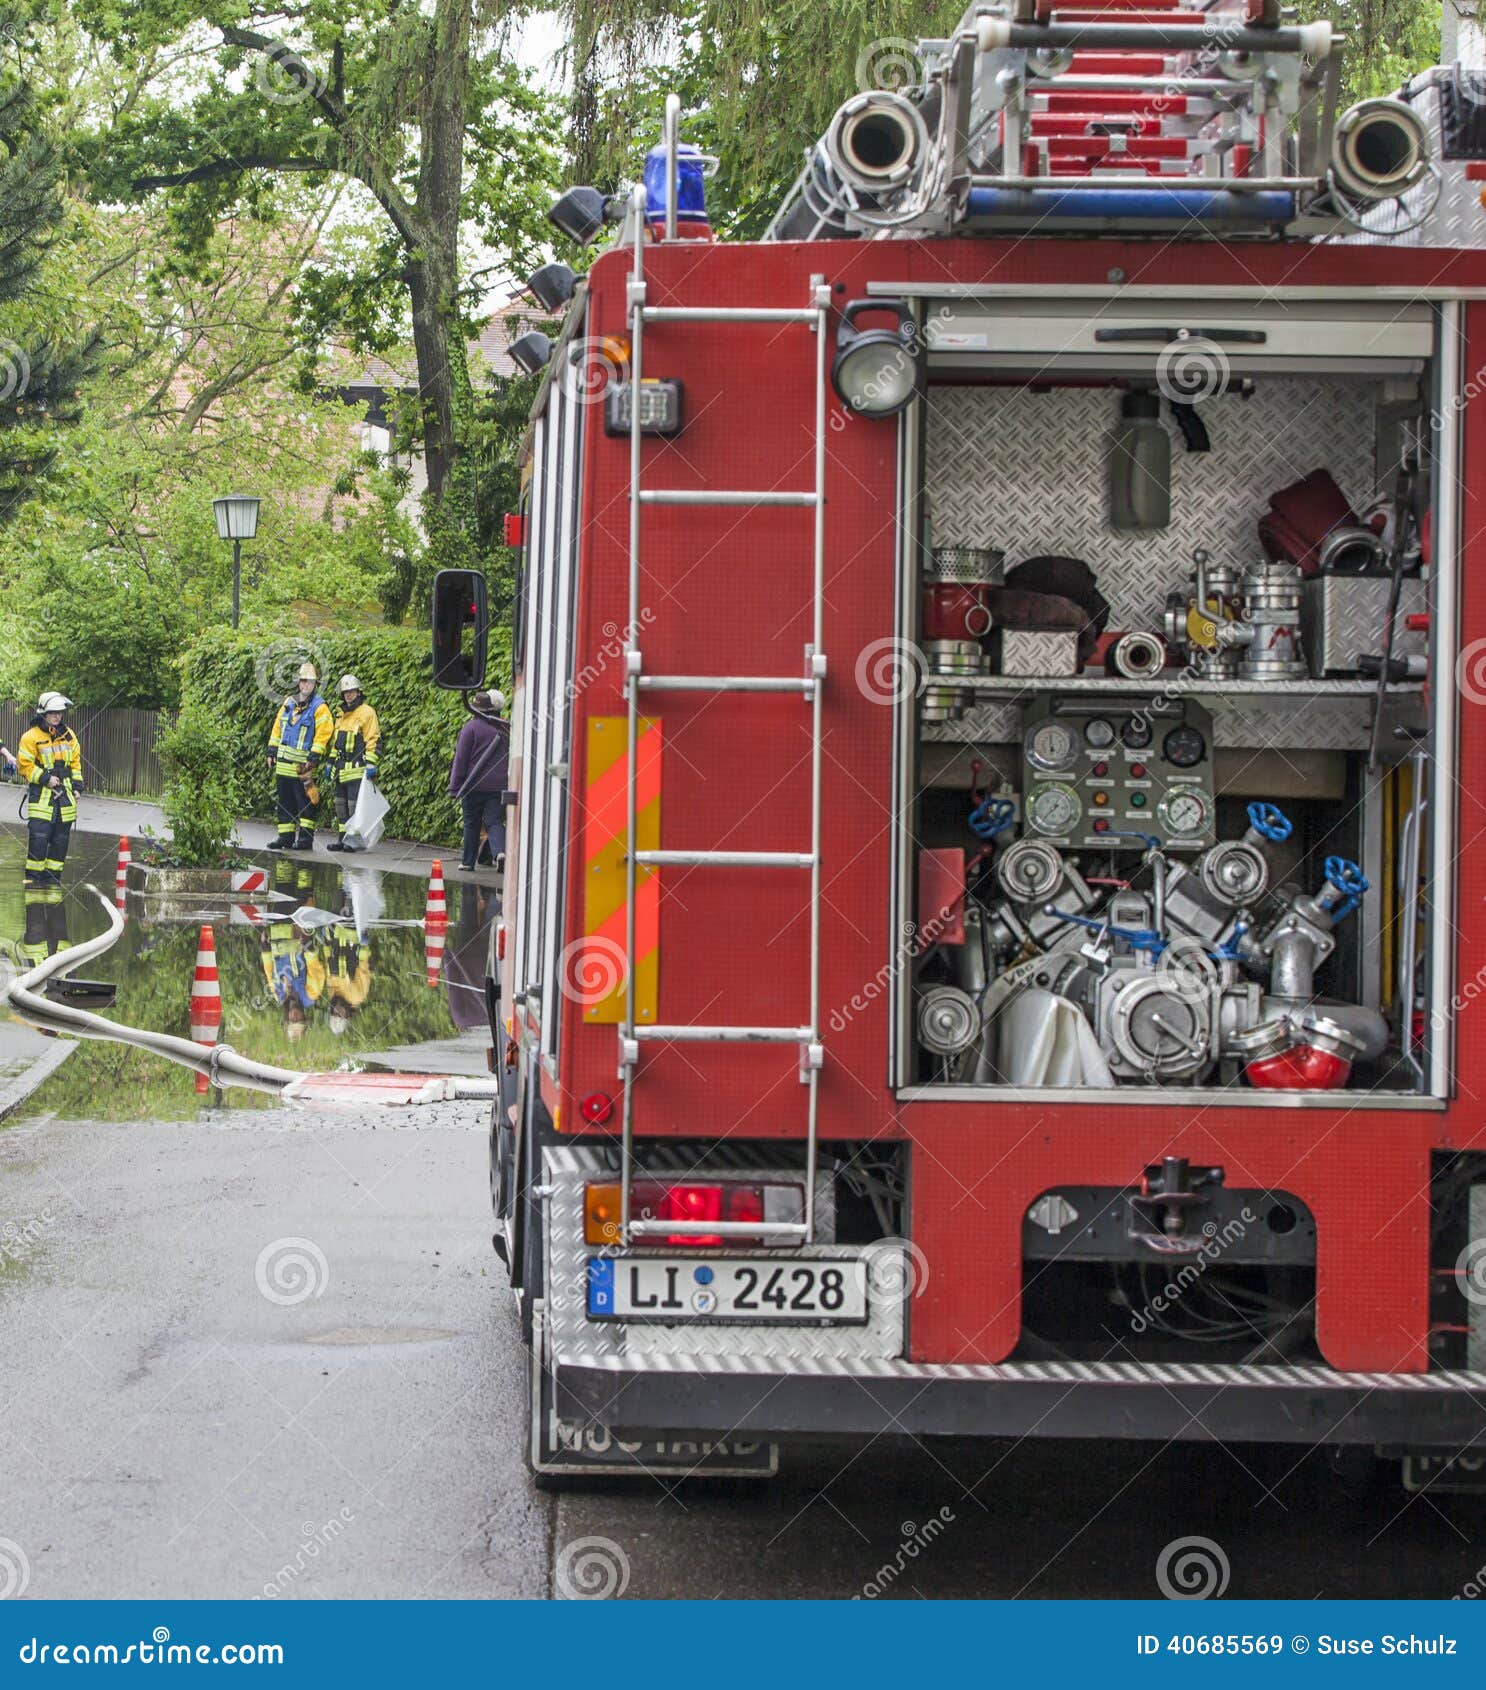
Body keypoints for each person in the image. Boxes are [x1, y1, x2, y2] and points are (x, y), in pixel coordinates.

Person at [17, 691, 83, 886]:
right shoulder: (31, 737)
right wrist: (45, 778)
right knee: (38, 841)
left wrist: (78, 787)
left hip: (65, 800)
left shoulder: (69, 736)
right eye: (53, 712)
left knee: (60, 844)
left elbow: (76, 764)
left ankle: (53, 882)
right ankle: (33, 882)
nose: (57, 716)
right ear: (43, 713)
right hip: (42, 799)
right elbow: (24, 765)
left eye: (60, 712)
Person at [267, 662, 332, 850]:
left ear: (315, 685)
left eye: (310, 682)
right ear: (298, 683)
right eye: (303, 682)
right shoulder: (288, 703)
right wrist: (271, 751)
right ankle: (285, 838)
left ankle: (305, 840)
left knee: (306, 802)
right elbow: (277, 728)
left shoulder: (320, 707)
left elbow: (324, 732)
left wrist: (314, 756)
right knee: (284, 804)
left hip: (303, 767)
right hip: (283, 766)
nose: (306, 685)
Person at [448, 689, 509, 874]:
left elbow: (461, 760)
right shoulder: (507, 728)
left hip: (473, 785)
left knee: (471, 823)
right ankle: (500, 853)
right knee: (495, 821)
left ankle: (468, 862)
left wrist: (455, 786)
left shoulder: (471, 728)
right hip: (500, 785)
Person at [326, 674, 380, 853]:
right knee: (340, 807)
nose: (349, 695)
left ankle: (354, 841)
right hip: (342, 769)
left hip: (357, 769)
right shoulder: (341, 714)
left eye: (352, 691)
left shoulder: (367, 712)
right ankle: (342, 840)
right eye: (346, 692)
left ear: (358, 692)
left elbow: (373, 738)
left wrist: (371, 764)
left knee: (354, 807)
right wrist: (330, 763)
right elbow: (337, 742)